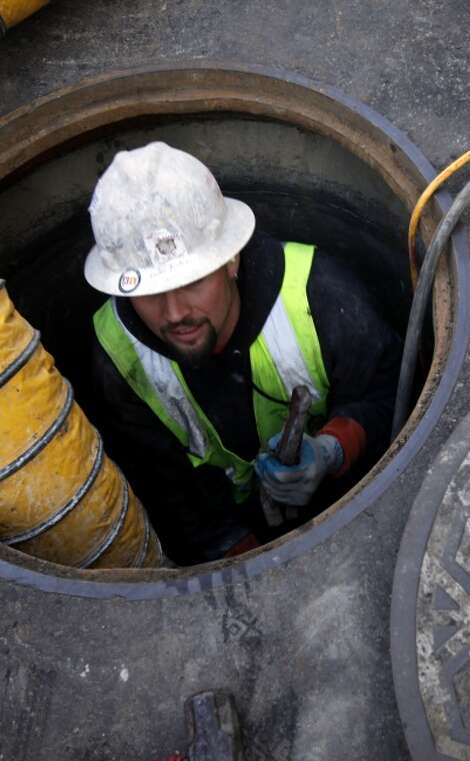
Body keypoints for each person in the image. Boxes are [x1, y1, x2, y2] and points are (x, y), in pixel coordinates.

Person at [84, 142, 400, 566]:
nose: (175, 313)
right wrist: (248, 565)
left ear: (231, 259)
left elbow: (390, 391)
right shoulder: (119, 352)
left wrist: (331, 451)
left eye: (193, 282)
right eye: (150, 294)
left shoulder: (319, 298)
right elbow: (159, 483)